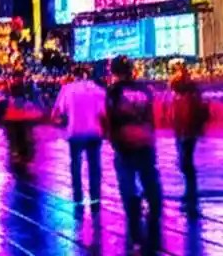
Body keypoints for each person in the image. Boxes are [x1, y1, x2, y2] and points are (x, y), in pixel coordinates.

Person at [106, 56, 162, 250]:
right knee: (150, 177)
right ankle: (155, 209)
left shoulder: (114, 92)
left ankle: (134, 220)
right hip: (146, 140)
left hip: (125, 143)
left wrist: (113, 140)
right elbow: (151, 116)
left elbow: (109, 117)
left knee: (127, 182)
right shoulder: (144, 89)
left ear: (114, 72)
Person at [52, 65, 106, 207]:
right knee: (94, 165)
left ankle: (78, 197)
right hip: (94, 132)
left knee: (75, 165)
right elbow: (104, 112)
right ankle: (95, 197)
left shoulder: (67, 89)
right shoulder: (97, 90)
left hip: (75, 132)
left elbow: (58, 112)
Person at [169, 62, 209, 211]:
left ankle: (191, 194)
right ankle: (190, 192)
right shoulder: (185, 97)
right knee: (185, 163)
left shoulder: (185, 99)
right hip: (185, 133)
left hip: (185, 133)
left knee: (186, 163)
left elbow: (186, 117)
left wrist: (185, 133)